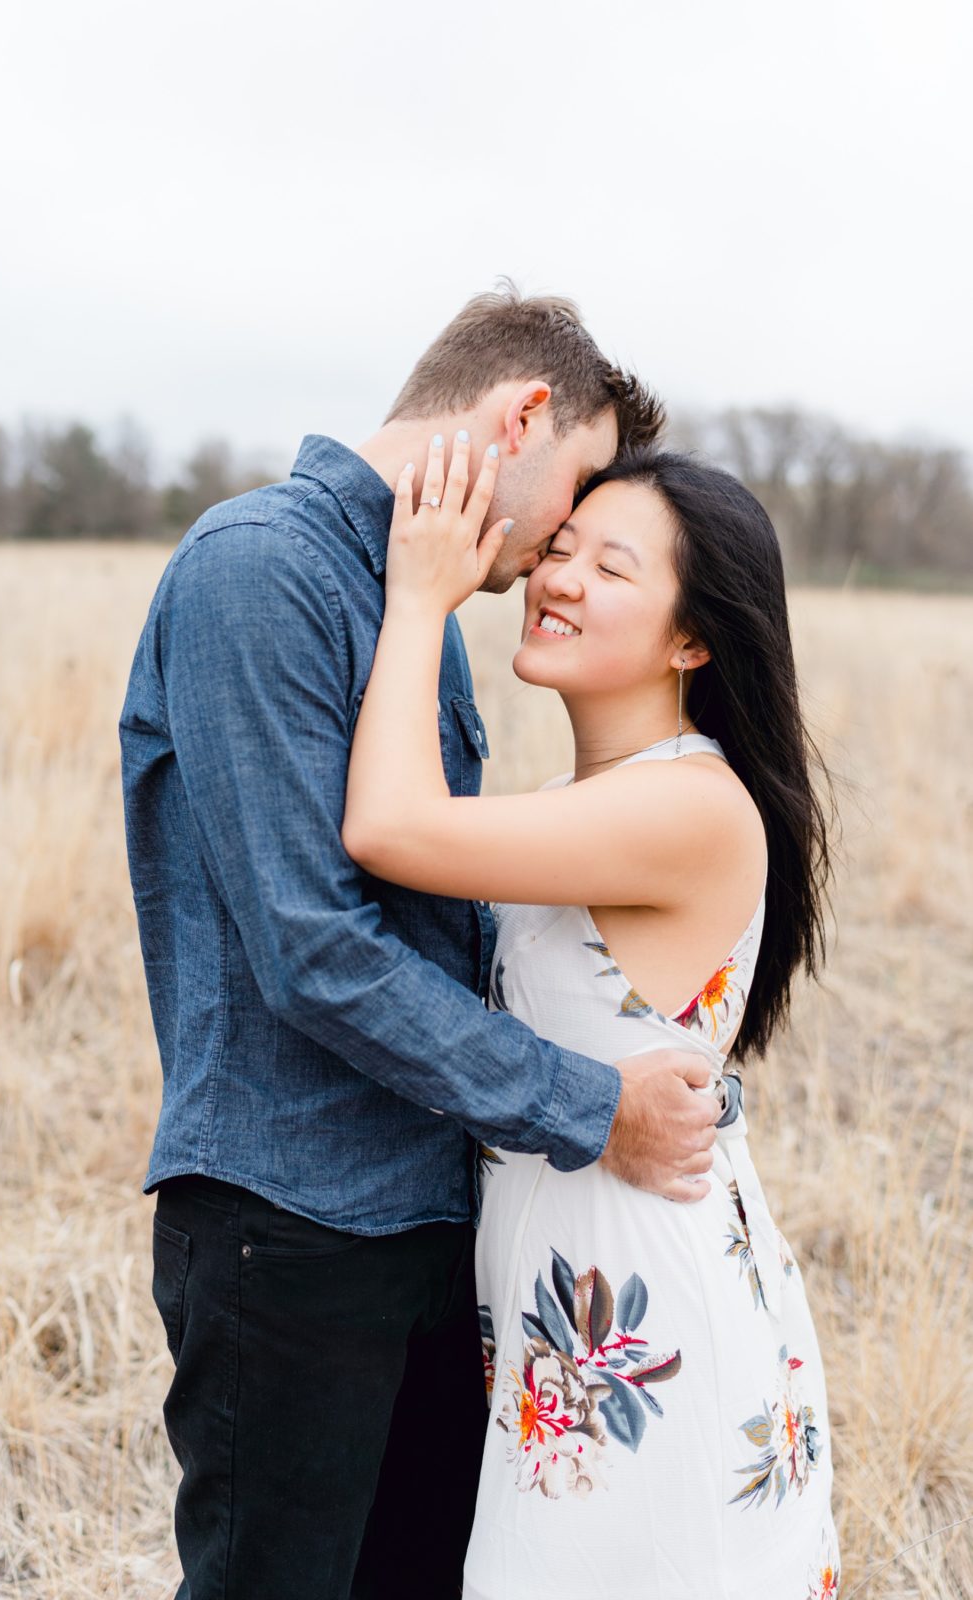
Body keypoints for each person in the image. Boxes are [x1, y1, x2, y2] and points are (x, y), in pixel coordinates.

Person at [118, 287, 722, 1600]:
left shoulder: (417, 609)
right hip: (288, 1230)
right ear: (516, 416)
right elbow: (310, 951)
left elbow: (437, 916)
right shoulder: (258, 568)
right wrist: (586, 1106)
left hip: (422, 1220)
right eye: (568, 490)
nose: (557, 543)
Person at [341, 437, 840, 1599]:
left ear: (690, 638)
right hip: (571, 1314)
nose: (558, 577)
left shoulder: (689, 805)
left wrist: (419, 598)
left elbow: (387, 828)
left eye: (610, 568)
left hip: (642, 1323)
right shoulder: (590, 803)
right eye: (559, 548)